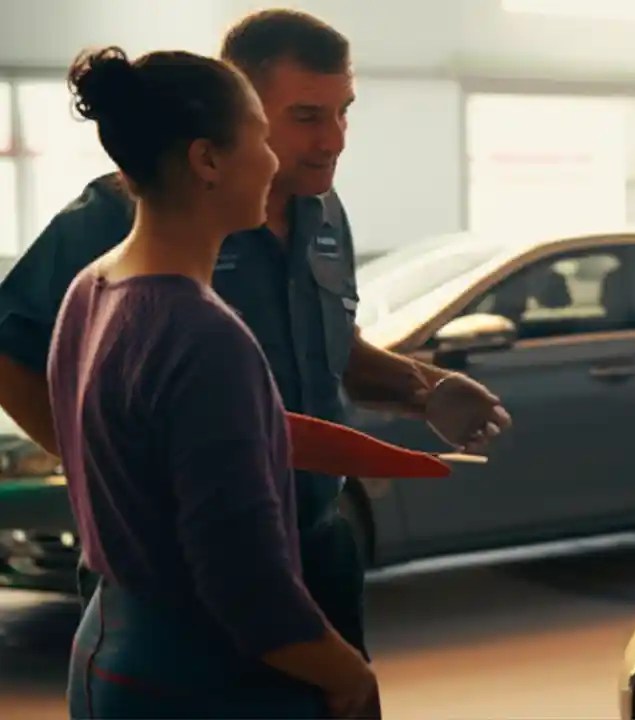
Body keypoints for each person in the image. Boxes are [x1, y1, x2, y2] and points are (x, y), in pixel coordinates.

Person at [0, 9, 511, 658]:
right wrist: (101, 474)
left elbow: (331, 347)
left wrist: (423, 387)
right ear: (237, 109)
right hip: (185, 556)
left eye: (343, 111)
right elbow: (10, 348)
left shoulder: (324, 213)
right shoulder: (129, 210)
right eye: (306, 116)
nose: (335, 139)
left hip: (318, 539)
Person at [51, 46, 378, 718]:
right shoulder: (206, 336)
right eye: (260, 135)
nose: (271, 160)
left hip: (109, 656)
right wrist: (346, 672)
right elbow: (245, 584)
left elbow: (145, 445)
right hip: (205, 678)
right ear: (208, 160)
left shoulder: (94, 287)